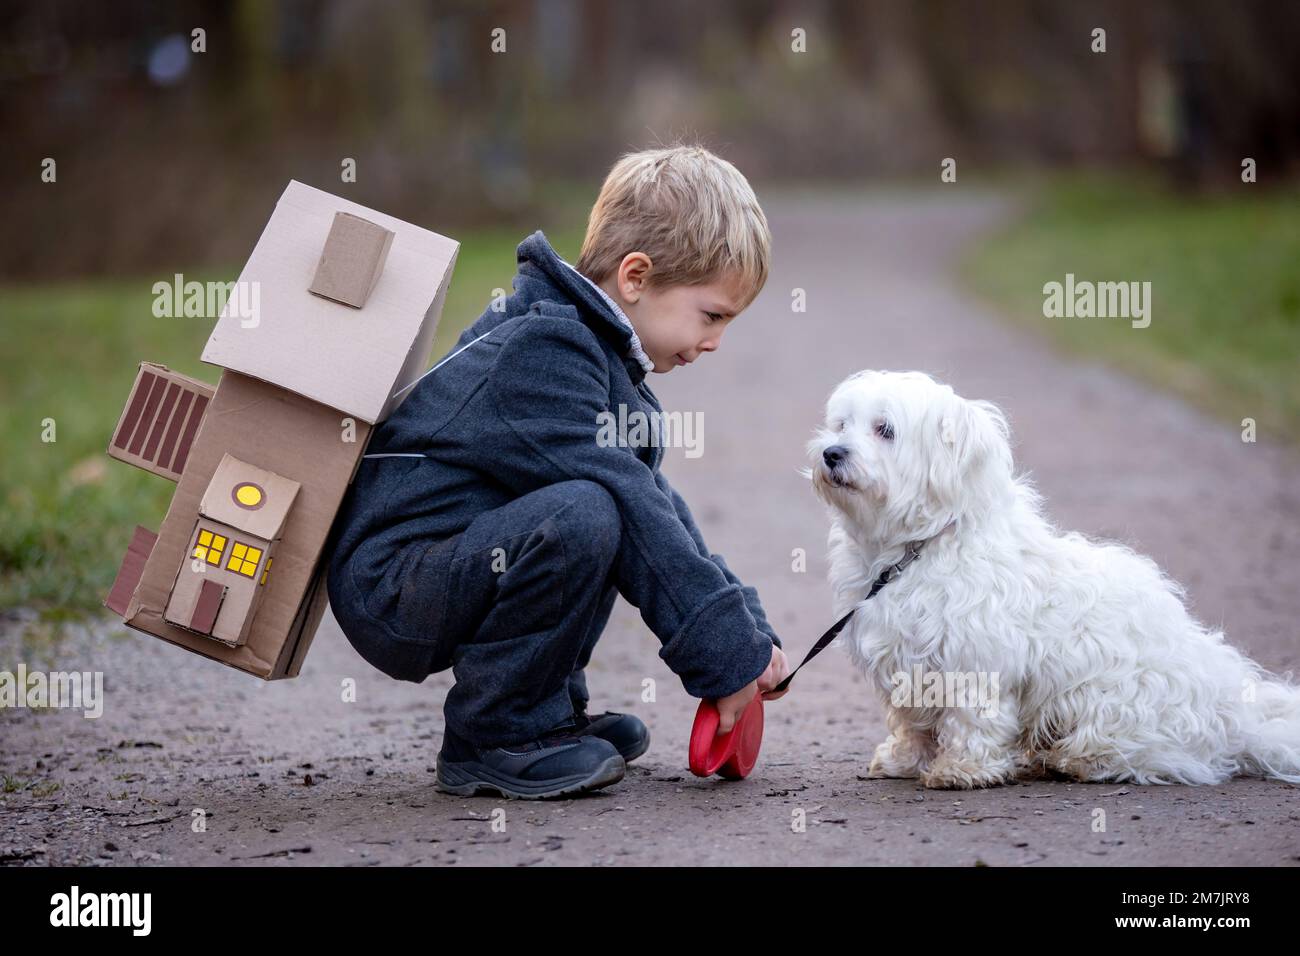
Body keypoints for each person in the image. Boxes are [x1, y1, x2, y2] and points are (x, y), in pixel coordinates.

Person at [326, 144, 790, 799]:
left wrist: (745, 634)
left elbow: (657, 501)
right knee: (590, 512)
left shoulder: (586, 344)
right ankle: (496, 735)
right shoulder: (543, 350)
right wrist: (722, 658)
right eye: (711, 314)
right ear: (635, 277)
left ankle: (549, 711)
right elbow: (629, 503)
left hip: (447, 558)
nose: (715, 341)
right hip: (395, 583)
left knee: (599, 506)